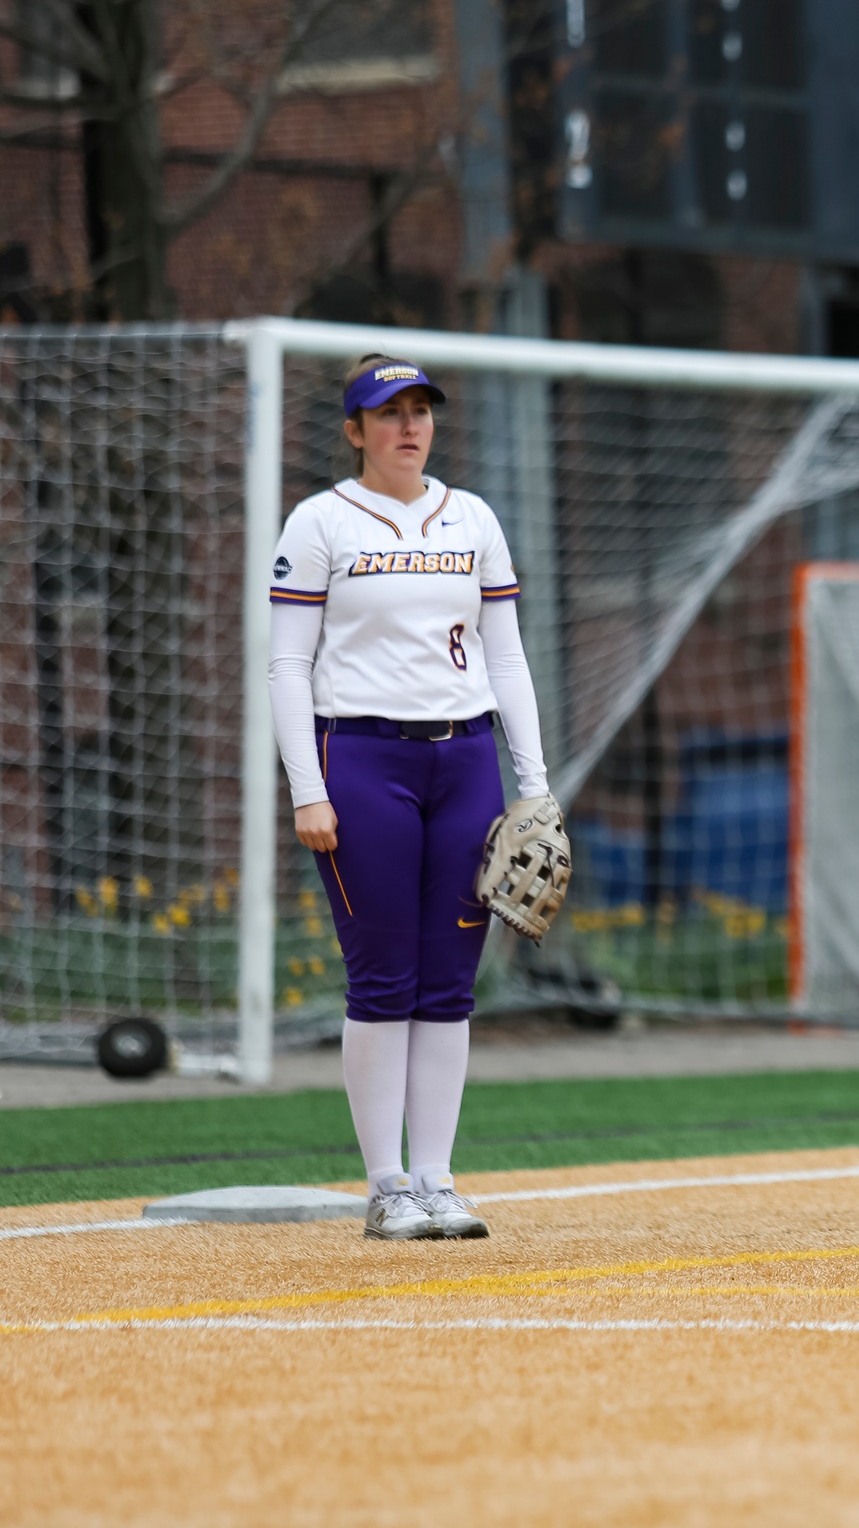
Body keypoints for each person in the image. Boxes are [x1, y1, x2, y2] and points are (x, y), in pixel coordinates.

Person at [266, 354, 552, 1241]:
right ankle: (386, 1183)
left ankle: (437, 1177)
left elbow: (506, 656)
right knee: (383, 978)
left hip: (464, 760)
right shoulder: (320, 520)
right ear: (354, 430)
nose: (408, 426)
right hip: (360, 758)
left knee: (449, 983)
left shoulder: (472, 517)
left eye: (420, 410)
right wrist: (307, 789)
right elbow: (287, 664)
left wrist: (535, 786)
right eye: (388, 413)